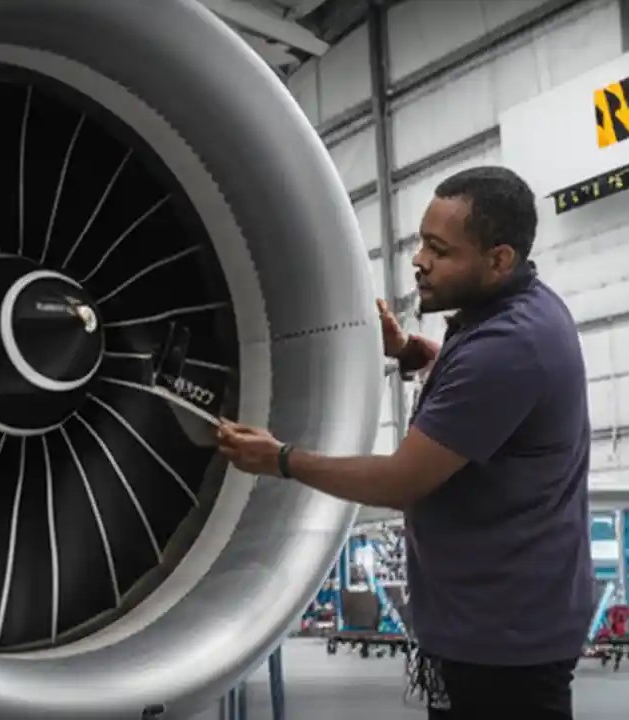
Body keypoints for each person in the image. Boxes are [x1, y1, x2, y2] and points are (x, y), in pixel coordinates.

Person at [216, 166, 593, 719]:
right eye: (422, 241)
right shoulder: (520, 309)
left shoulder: (509, 346)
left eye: (440, 250)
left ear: (499, 260)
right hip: (496, 628)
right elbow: (490, 405)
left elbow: (400, 481)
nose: (419, 259)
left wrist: (280, 459)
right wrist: (413, 354)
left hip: (501, 647)